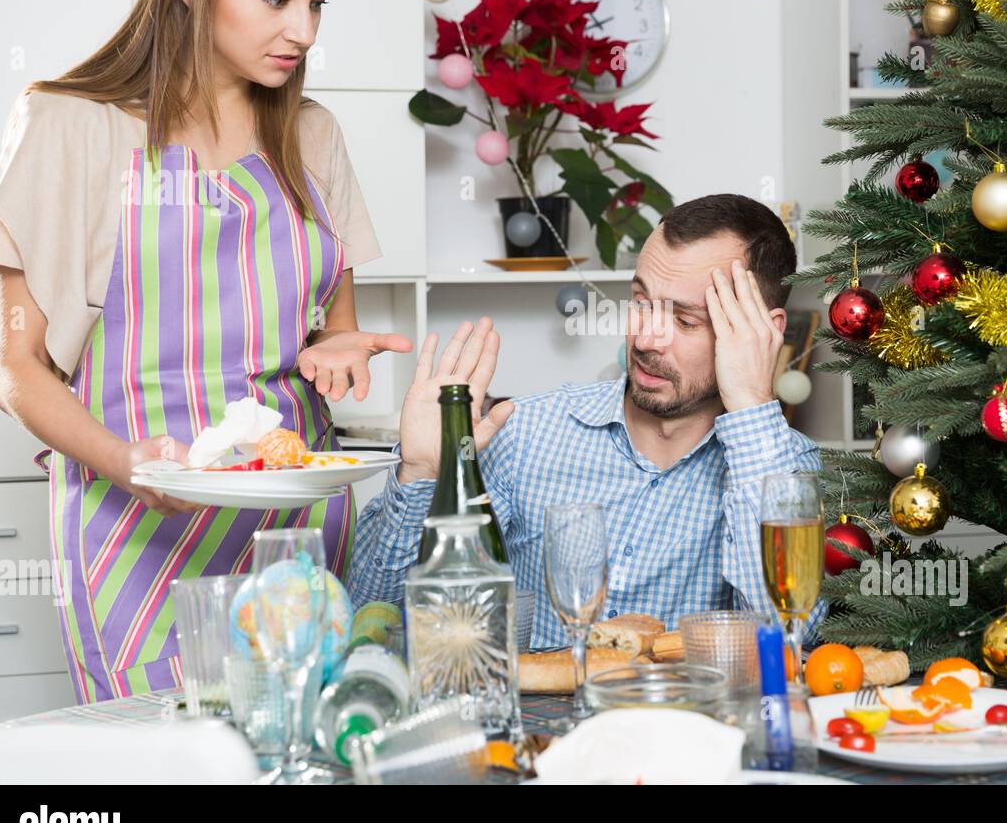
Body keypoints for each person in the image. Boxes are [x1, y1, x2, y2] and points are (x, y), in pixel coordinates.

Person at [0, 0, 410, 703]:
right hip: (134, 517)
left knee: (299, 743)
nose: (304, 30)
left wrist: (337, 352)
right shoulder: (71, 124)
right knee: (169, 748)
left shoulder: (312, 137)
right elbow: (17, 368)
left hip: (294, 526)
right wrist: (125, 461)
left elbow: (334, 330)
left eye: (317, 3)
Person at [349, 194, 828, 646]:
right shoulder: (523, 431)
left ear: (762, 331)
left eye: (685, 321)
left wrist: (750, 407)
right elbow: (376, 616)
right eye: (641, 302)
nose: (646, 337)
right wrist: (421, 476)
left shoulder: (784, 467)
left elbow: (787, 638)